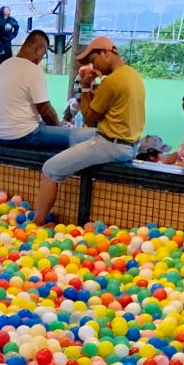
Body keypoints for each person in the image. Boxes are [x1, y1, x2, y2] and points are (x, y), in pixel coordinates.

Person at [33, 36, 144, 225]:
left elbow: (89, 118)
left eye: (93, 60)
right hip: (131, 144)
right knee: (75, 136)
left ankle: (37, 223)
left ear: (105, 53)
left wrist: (85, 87)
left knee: (50, 169)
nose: (94, 66)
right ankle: (73, 157)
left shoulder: (111, 82)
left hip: (111, 145)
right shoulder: (133, 75)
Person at [0, 30, 60, 146]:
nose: (42, 57)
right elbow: (45, 111)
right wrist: (59, 128)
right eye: (44, 53)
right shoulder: (33, 70)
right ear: (39, 49)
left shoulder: (3, 66)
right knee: (72, 137)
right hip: (24, 135)